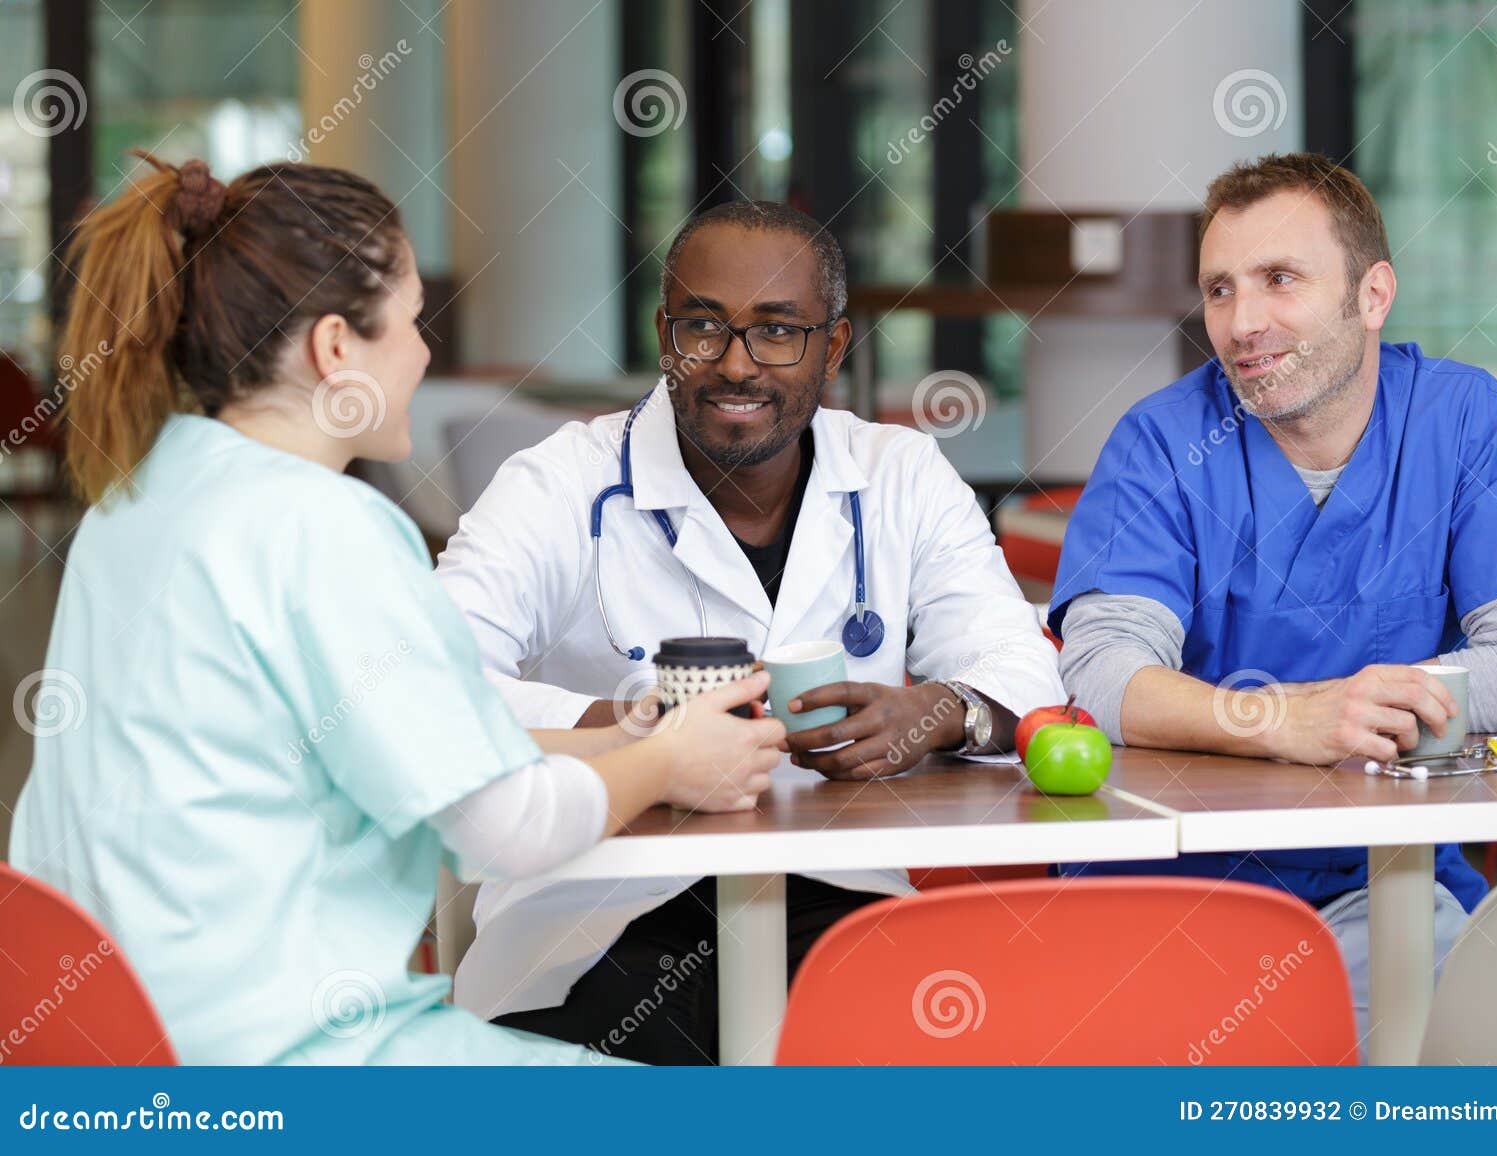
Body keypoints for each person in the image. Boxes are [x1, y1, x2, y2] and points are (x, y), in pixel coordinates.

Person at [8, 154, 786, 1065]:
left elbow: (395, 745)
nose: (423, 351)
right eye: (413, 321)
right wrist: (665, 765)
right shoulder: (325, 525)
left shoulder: (135, 502)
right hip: (289, 1067)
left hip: (103, 1056)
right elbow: (506, 830)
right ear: (337, 348)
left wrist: (629, 739)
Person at [434, 200, 1065, 1063]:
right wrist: (641, 733)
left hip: (834, 892)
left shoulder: (899, 476)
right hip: (595, 901)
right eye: (703, 327)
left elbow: (1021, 662)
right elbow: (429, 682)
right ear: (664, 335)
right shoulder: (559, 484)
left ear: (833, 347)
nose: (735, 365)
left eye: (777, 332)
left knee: (931, 1057)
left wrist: (936, 711)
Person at [1051, 152, 1497, 1049]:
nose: (1242, 322)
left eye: (1280, 280)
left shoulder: (1460, 422)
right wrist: (1284, 718)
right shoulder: (1162, 443)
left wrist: (1362, 709)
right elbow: (1106, 674)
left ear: (1373, 295)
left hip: (1384, 874)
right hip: (1170, 878)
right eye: (1219, 289)